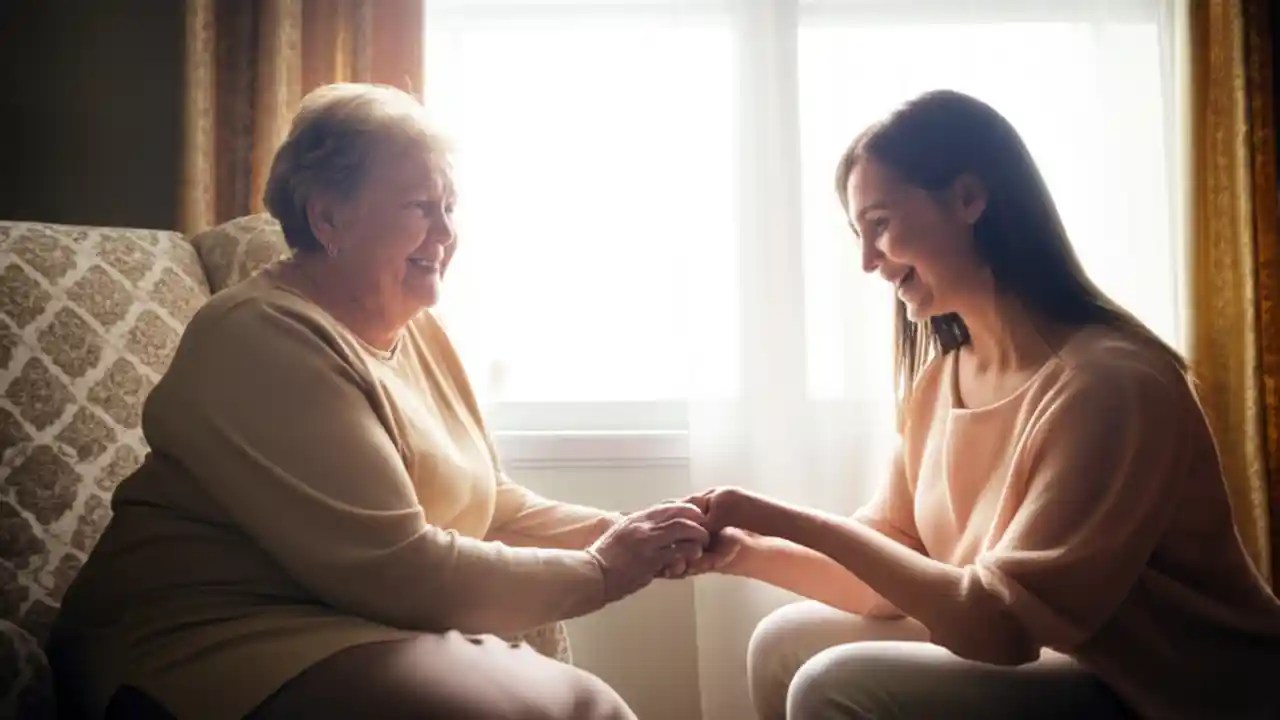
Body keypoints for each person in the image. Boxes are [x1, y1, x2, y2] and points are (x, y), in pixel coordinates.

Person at [48, 83, 710, 720]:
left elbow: (492, 503)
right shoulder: (260, 334)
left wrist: (638, 534)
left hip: (339, 617)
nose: (446, 232)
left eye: (451, 206)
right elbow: (399, 567)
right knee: (552, 709)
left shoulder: (419, 330)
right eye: (421, 206)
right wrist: (602, 570)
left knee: (585, 705)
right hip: (202, 635)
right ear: (329, 217)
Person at [679, 90, 1280, 719]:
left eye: (879, 224)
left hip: (1170, 691)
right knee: (782, 643)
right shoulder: (941, 382)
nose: (867, 262)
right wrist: (743, 549)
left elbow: (998, 624)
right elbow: (891, 570)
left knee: (832, 684)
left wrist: (778, 516)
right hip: (1058, 662)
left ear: (969, 198)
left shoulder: (1110, 385)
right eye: (860, 234)